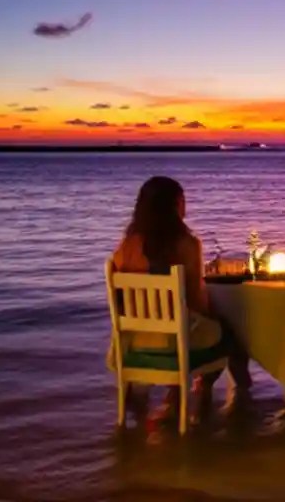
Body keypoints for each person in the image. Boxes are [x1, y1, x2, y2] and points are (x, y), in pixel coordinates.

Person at [111, 176, 251, 418]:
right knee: (230, 334)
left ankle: (166, 398)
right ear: (175, 205)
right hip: (176, 341)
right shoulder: (188, 244)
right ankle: (219, 398)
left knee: (212, 328)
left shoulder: (126, 246)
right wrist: (216, 314)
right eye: (183, 200)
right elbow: (197, 301)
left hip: (135, 340)